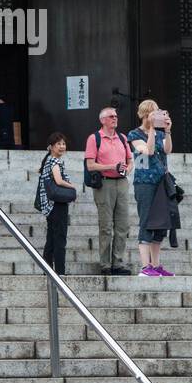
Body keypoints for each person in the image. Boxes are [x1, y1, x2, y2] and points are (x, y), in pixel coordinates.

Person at [84, 106, 133, 275]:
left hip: (122, 182)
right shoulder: (94, 138)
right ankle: (105, 263)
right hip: (104, 183)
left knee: (123, 225)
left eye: (116, 116)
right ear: (102, 120)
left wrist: (128, 170)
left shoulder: (122, 138)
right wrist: (112, 166)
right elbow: (90, 165)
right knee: (105, 225)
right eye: (111, 116)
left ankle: (118, 262)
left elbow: (130, 160)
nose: (115, 118)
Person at [128, 99, 174, 277]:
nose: (155, 117)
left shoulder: (161, 134)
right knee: (146, 221)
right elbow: (148, 150)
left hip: (161, 182)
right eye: (152, 114)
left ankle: (156, 265)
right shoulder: (134, 134)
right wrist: (152, 131)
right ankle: (145, 267)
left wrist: (168, 131)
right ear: (144, 115)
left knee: (161, 224)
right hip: (144, 183)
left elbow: (168, 150)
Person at [36, 132, 75, 275]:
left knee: (51, 239)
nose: (62, 146)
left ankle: (47, 270)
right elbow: (58, 181)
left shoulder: (48, 160)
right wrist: (72, 186)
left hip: (50, 206)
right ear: (51, 147)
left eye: (63, 144)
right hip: (57, 204)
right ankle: (60, 272)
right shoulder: (54, 161)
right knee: (60, 239)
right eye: (58, 144)